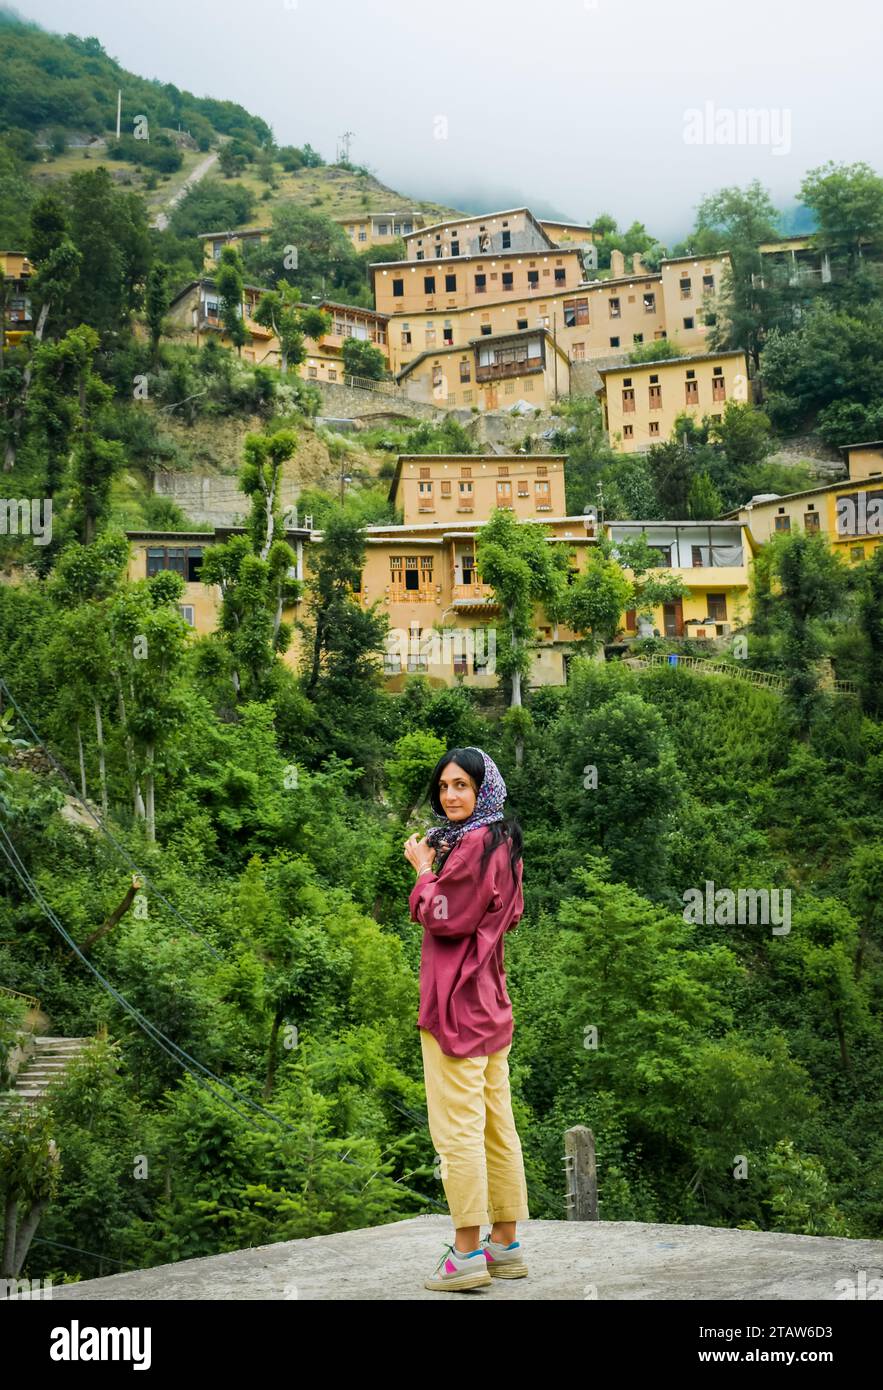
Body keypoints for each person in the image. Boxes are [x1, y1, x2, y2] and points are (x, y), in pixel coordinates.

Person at [403, 746, 530, 1292]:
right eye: (444, 786)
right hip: (490, 1002)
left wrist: (425, 870)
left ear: (484, 790)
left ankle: (465, 1252)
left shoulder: (474, 843)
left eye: (462, 786)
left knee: (458, 1131)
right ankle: (504, 1243)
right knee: (497, 1125)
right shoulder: (503, 839)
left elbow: (441, 915)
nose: (451, 796)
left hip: (456, 1007)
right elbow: (512, 913)